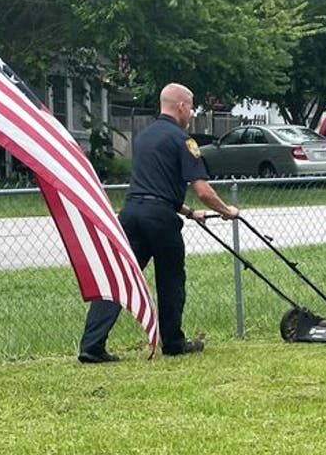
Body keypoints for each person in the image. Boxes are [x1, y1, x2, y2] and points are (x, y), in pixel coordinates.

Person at [78, 83, 239, 362]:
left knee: (119, 279)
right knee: (171, 280)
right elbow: (203, 190)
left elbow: (153, 187)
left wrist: (190, 213)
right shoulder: (183, 140)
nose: (192, 113)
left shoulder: (144, 137)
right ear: (181, 106)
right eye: (191, 107)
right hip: (160, 219)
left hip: (131, 213)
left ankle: (91, 346)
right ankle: (174, 342)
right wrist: (227, 211)